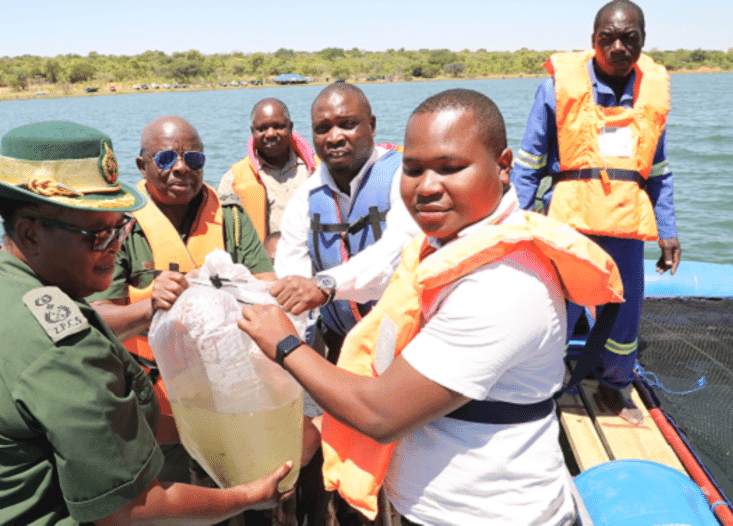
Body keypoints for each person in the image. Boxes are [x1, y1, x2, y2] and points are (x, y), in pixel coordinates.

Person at [240, 89, 623, 526]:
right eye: (413, 169)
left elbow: (381, 413)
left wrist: (285, 345)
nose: (426, 187)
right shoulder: (445, 247)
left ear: (503, 166)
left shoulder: (503, 285)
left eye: (450, 168)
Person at [0, 121, 292, 525]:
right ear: (30, 234)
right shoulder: (63, 350)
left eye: (120, 229)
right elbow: (132, 510)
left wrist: (220, 426)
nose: (115, 247)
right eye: (97, 236)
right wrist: (248, 496)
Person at [509, 0, 681, 423]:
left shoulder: (651, 95)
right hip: (569, 223)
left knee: (624, 313)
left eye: (629, 38)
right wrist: (511, 223)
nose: (618, 47)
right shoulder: (556, 89)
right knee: (558, 309)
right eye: (608, 39)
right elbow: (529, 163)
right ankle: (543, 386)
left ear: (643, 40)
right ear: (594, 41)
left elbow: (659, 170)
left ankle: (614, 386)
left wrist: (668, 230)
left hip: (626, 222)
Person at [86, 115, 274, 483]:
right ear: (142, 165)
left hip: (227, 391)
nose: (181, 169)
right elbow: (95, 319)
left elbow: (267, 288)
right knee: (166, 493)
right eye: (166, 159)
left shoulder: (231, 218)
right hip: (151, 398)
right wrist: (150, 305)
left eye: (194, 159)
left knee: (238, 487)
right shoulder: (119, 225)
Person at [272, 83, 420, 363]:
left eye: (348, 125)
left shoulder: (405, 178)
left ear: (371, 126)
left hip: (410, 343)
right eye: (322, 129)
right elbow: (290, 278)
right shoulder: (305, 198)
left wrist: (325, 285)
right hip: (342, 344)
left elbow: (401, 247)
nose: (334, 137)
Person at [217, 98, 317, 242]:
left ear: (290, 127)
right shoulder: (233, 179)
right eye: (262, 129)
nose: (270, 134)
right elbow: (225, 234)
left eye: (278, 126)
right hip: (261, 255)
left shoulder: (316, 170)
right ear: (252, 131)